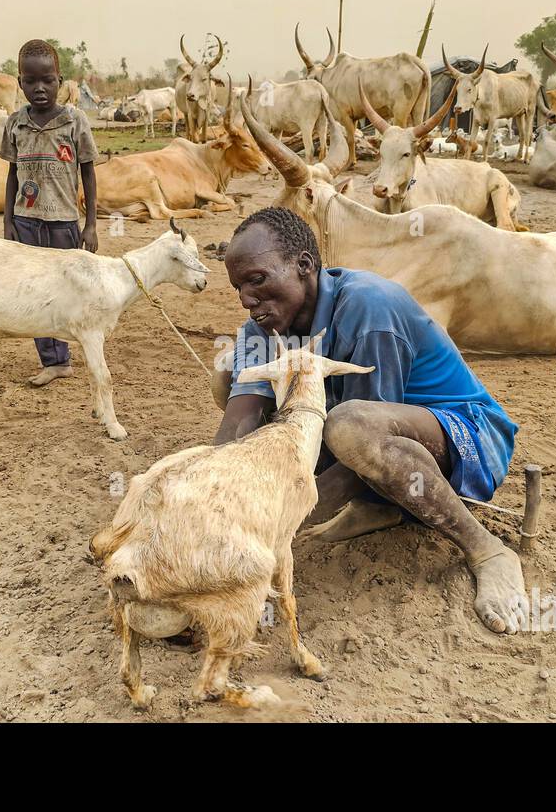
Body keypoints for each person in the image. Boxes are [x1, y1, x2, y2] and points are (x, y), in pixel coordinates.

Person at [213, 207, 527, 635]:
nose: (248, 300)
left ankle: (487, 550)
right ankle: (382, 507)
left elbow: (357, 447)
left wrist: (271, 525)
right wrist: (211, 504)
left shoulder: (368, 305)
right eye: (238, 288)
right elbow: (236, 428)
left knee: (351, 426)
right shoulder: (261, 329)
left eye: (258, 280)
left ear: (304, 265)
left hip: (463, 439)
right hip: (369, 441)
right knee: (233, 374)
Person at [0, 39, 99, 386]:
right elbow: (12, 175)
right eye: (30, 81)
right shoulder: (15, 124)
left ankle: (71, 352)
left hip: (63, 221)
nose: (39, 89)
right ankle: (53, 361)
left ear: (60, 80)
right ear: (20, 82)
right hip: (26, 221)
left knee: (66, 291)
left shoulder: (75, 121)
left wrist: (91, 225)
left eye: (48, 81)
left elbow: (88, 172)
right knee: (34, 292)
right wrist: (8, 221)